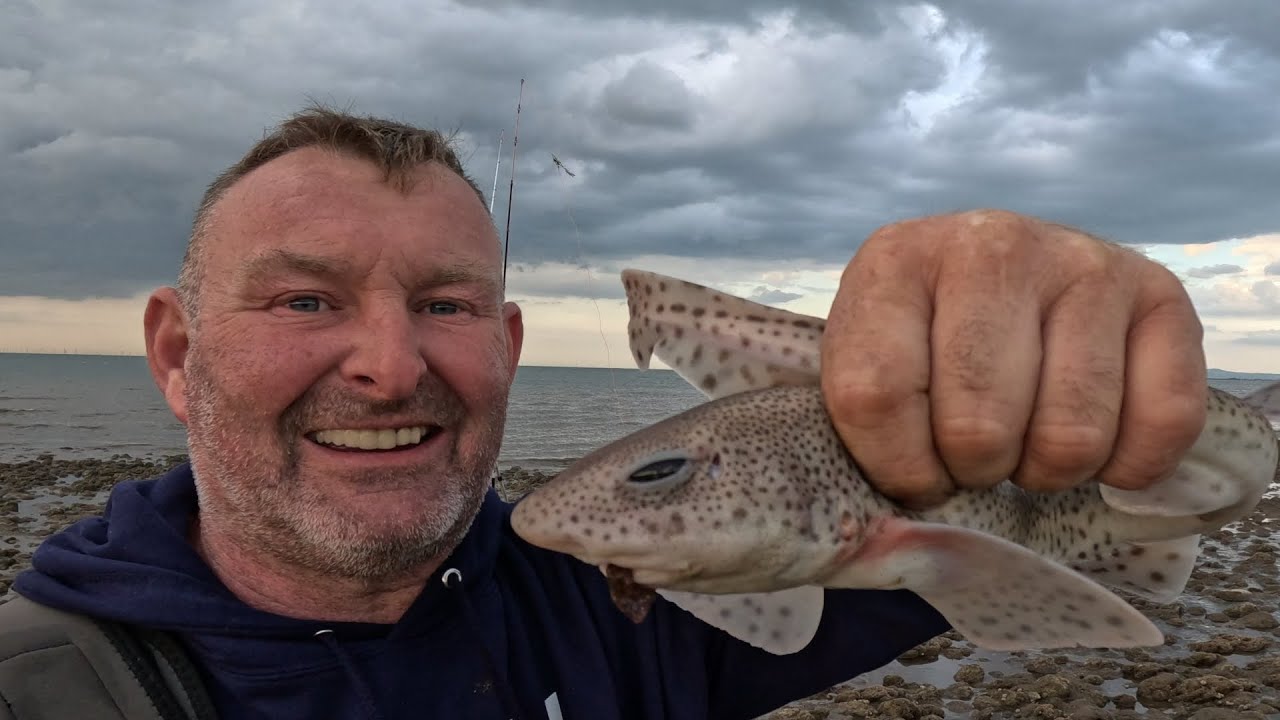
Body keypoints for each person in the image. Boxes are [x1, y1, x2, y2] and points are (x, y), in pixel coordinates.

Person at [0, 106, 1208, 719]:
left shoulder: (640, 605)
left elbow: (974, 545)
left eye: (447, 302)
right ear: (174, 351)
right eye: (306, 298)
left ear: (508, 348)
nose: (387, 363)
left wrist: (1055, 332)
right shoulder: (42, 688)